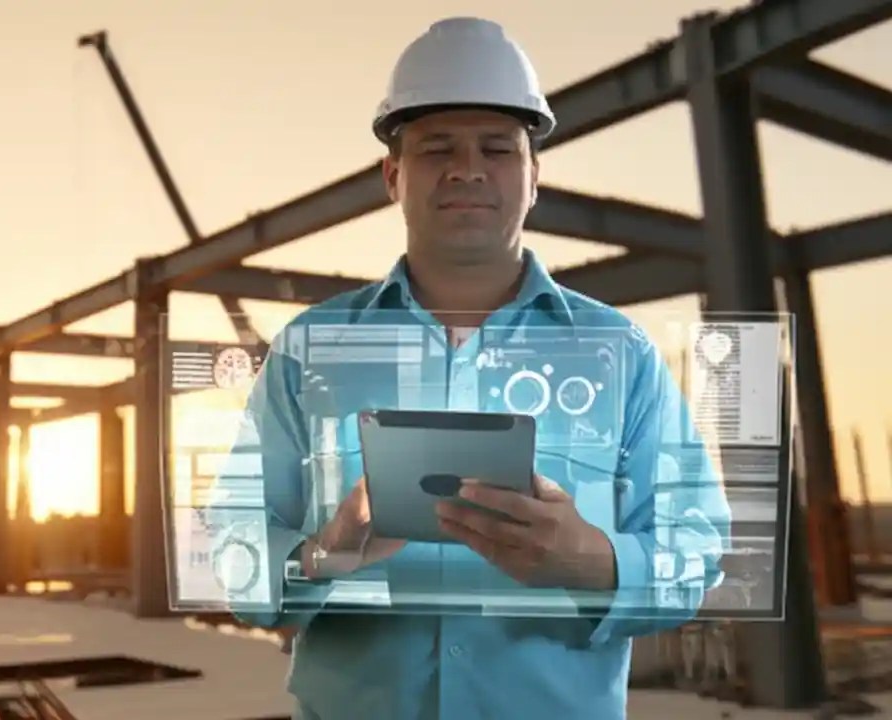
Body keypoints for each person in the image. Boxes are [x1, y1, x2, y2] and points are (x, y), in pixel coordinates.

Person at [212, 17, 732, 720]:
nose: (468, 169)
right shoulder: (310, 351)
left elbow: (697, 548)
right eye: (436, 149)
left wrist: (591, 561)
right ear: (393, 175)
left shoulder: (622, 355)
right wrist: (327, 551)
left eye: (497, 147)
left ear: (533, 176)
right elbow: (232, 550)